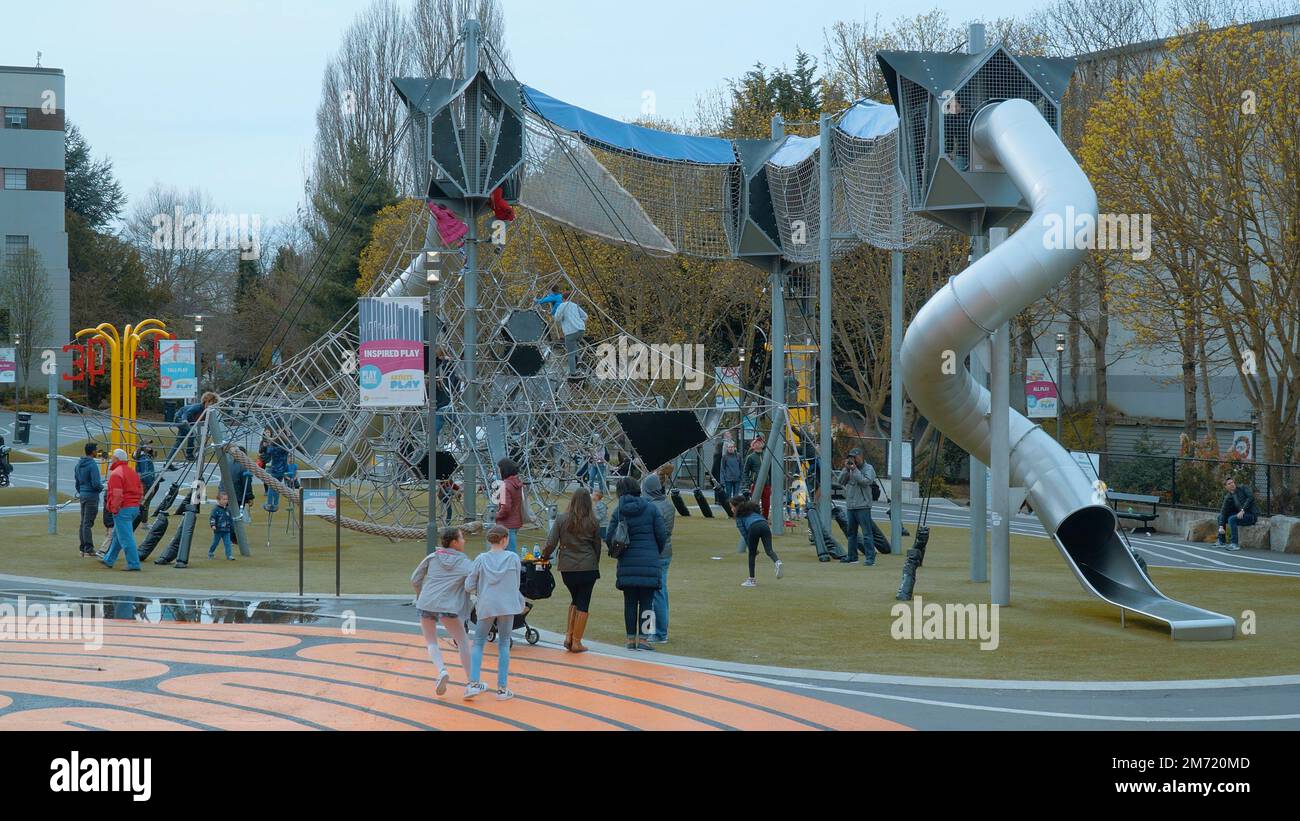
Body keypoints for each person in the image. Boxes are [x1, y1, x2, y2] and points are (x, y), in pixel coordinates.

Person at [411, 526, 474, 696]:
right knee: (462, 641)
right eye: (461, 538)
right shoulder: (466, 563)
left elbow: (415, 579)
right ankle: (471, 682)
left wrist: (420, 595)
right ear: (454, 542)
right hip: (449, 606)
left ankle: (442, 671)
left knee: (431, 641)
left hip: (426, 603)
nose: (464, 541)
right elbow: (473, 583)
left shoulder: (432, 557)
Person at [464, 525, 525, 701]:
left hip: (487, 604)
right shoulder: (513, 558)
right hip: (507, 605)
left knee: (478, 642)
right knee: (504, 643)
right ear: (505, 539)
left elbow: (468, 585)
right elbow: (516, 584)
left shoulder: (481, 559)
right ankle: (502, 688)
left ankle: (473, 683)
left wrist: (480, 590)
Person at [606, 476, 666, 651]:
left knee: (630, 602)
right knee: (648, 603)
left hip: (627, 562)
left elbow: (610, 537)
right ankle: (645, 640)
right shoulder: (651, 509)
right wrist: (654, 551)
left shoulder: (619, 511)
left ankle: (630, 639)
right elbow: (661, 535)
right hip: (649, 560)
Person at [542, 489, 601, 654]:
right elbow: (597, 546)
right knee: (583, 601)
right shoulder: (593, 521)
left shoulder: (561, 519)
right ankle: (576, 641)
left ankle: (569, 636)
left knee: (575, 598)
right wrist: (595, 562)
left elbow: (551, 542)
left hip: (567, 567)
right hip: (588, 565)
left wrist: (544, 556)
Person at [641, 471, 674, 645]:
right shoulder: (667, 504)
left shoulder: (652, 507)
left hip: (655, 553)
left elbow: (654, 532)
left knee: (655, 594)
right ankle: (658, 630)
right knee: (661, 592)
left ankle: (659, 633)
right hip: (666, 553)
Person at [101, 449, 144, 571]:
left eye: (112, 457)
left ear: (116, 459)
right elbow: (140, 490)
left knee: (125, 537)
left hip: (123, 508)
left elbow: (117, 495)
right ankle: (109, 559)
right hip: (134, 507)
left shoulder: (116, 473)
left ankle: (133, 563)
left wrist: (114, 509)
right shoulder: (132, 472)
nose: (111, 459)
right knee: (118, 535)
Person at [839, 447, 878, 566]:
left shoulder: (868, 468)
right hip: (851, 505)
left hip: (863, 506)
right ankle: (852, 556)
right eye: (851, 457)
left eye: (855, 457)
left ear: (861, 456)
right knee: (851, 533)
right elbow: (841, 481)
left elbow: (865, 481)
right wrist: (846, 469)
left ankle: (870, 558)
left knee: (867, 533)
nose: (853, 460)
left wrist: (855, 470)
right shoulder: (849, 469)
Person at [733, 496, 783, 587]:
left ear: (736, 507)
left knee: (751, 554)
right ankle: (777, 561)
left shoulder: (739, 517)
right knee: (769, 550)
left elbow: (744, 534)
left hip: (753, 527)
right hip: (764, 525)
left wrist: (752, 548)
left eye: (732, 507)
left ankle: (751, 580)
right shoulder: (753, 510)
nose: (731, 509)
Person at [168, 391, 220, 463]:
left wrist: (207, 435)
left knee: (179, 442)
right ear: (206, 401)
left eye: (214, 405)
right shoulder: (198, 407)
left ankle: (168, 462)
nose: (211, 406)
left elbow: (209, 425)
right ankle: (189, 454)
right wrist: (184, 420)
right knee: (192, 434)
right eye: (211, 404)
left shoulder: (208, 412)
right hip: (179, 418)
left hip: (188, 423)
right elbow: (186, 413)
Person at [74, 442, 103, 557]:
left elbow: (77, 482)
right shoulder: (92, 465)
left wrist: (82, 491)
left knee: (83, 522)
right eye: (96, 450)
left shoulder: (78, 464)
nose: (98, 452)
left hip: (83, 495)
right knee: (88, 523)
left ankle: (82, 548)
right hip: (91, 496)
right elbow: (96, 484)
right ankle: (88, 549)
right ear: (93, 451)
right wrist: (101, 488)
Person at [1217, 477, 1258, 552]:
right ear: (1226, 487)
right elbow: (1223, 511)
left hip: (1250, 515)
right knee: (1220, 517)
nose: (1232, 484)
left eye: (1232, 482)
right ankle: (1221, 541)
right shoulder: (1228, 496)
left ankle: (1234, 544)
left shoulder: (1243, 488)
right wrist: (1220, 526)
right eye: (1229, 484)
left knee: (1232, 519)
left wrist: (1243, 510)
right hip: (1240, 515)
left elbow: (1250, 498)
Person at [553, 291, 588, 376]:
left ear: (563, 299)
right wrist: (578, 321)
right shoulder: (575, 305)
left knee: (570, 353)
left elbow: (557, 318)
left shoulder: (562, 306)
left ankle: (573, 373)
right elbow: (585, 316)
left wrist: (561, 317)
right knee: (575, 344)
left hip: (570, 332)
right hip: (581, 329)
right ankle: (579, 360)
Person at [494, 457, 525, 554]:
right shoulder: (516, 483)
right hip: (515, 521)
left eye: (499, 469)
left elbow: (506, 507)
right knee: (509, 551)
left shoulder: (505, 486)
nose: (498, 472)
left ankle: (516, 569)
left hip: (506, 524)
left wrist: (496, 515)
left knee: (511, 553)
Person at [744, 436, 772, 519]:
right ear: (753, 445)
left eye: (760, 442)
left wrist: (771, 483)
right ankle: (754, 518)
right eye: (756, 442)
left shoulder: (767, 456)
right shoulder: (750, 457)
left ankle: (765, 518)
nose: (759, 443)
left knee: (766, 504)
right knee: (754, 503)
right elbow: (745, 472)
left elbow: (770, 471)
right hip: (755, 483)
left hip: (766, 484)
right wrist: (749, 482)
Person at [261, 433, 290, 513]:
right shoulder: (285, 448)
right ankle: (276, 504)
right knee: (277, 487)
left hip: (274, 470)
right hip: (283, 470)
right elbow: (290, 445)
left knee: (271, 486)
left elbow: (268, 451)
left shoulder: (273, 449)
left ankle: (269, 504)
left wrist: (270, 442)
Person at [207, 491, 235, 560]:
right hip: (218, 530)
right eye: (224, 499)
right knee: (215, 542)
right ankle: (211, 552)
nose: (226, 501)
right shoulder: (215, 509)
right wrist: (213, 525)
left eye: (227, 499)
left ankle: (229, 555)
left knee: (227, 543)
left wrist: (232, 527)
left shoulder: (228, 509)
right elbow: (212, 518)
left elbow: (230, 519)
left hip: (226, 530)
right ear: (219, 500)